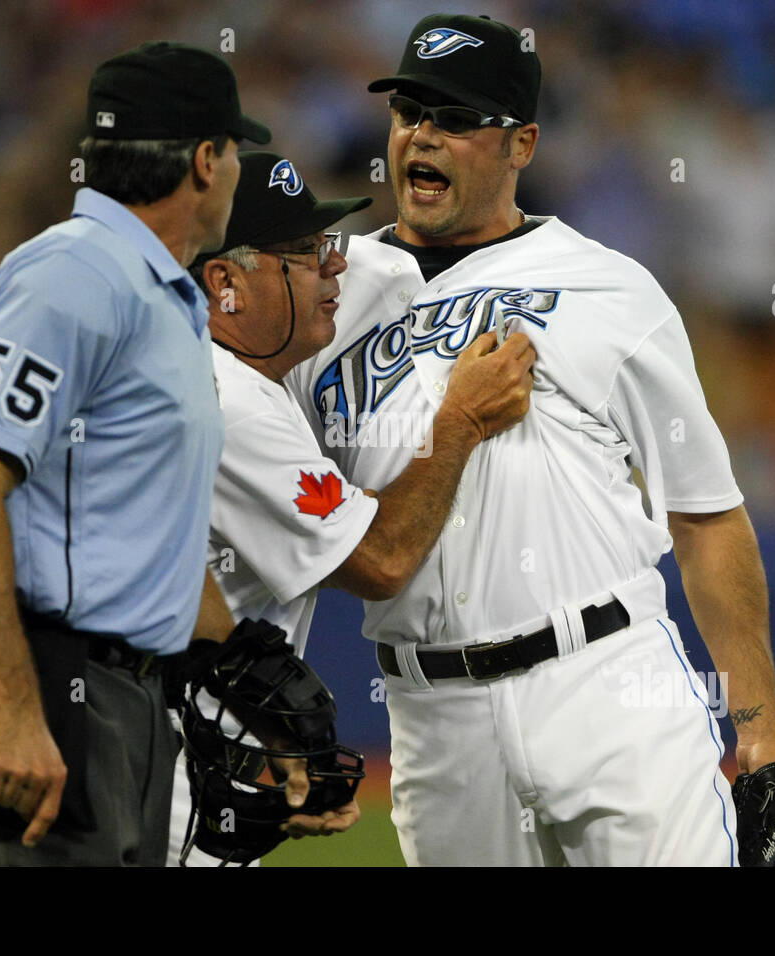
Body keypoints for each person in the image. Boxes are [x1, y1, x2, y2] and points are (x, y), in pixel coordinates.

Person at [284, 13, 775, 866]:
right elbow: (277, 504)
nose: (424, 136)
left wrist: (764, 742)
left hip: (605, 679)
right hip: (432, 720)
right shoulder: (324, 302)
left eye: (457, 119)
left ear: (521, 142)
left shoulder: (609, 288)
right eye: (410, 111)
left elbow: (708, 518)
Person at [0, 42, 273, 866]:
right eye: (236, 151)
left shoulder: (157, 287)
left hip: (130, 697)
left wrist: (258, 697)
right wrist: (14, 707)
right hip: (50, 685)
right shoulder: (68, 277)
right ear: (205, 161)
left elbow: (149, 537)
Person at [171, 150, 536, 865]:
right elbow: (382, 558)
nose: (333, 266)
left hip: (165, 747)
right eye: (304, 253)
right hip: (163, 772)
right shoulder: (226, 399)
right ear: (226, 284)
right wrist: (458, 420)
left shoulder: (194, 368)